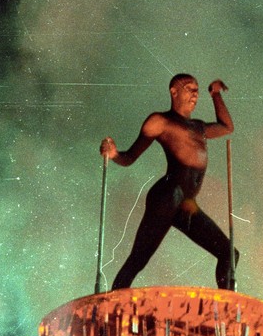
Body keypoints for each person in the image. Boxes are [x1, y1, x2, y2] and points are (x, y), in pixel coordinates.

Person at [100, 73, 237, 290]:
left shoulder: (199, 128)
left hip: (187, 203)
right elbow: (130, 157)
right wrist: (115, 154)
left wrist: (216, 94)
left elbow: (227, 127)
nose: (195, 93)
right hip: (167, 194)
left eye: (197, 90)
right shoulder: (160, 121)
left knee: (229, 253)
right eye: (189, 88)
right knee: (139, 258)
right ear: (174, 92)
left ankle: (228, 309)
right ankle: (112, 301)